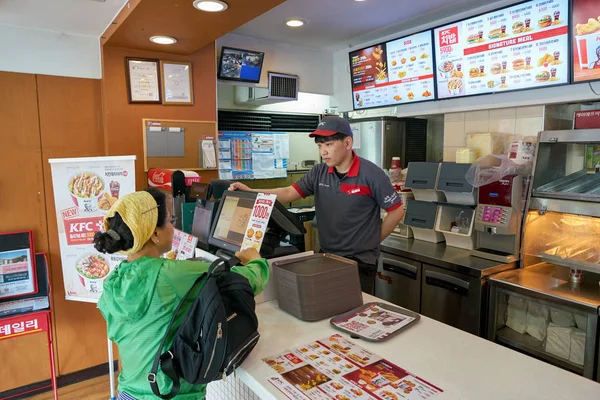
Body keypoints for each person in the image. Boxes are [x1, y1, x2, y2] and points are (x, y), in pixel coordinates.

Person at [94, 188, 269, 400]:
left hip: (129, 392)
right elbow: (245, 282)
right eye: (171, 220)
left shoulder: (114, 281)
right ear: (155, 234)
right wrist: (256, 260)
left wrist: (167, 269)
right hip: (171, 395)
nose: (173, 226)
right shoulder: (172, 275)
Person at [229, 116, 404, 294]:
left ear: (347, 142)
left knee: (352, 315)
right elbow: (289, 192)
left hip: (358, 262)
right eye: (320, 146)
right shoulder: (319, 172)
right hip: (327, 256)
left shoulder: (371, 174)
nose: (323, 152)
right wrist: (250, 191)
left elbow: (397, 211)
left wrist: (373, 240)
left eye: (328, 144)